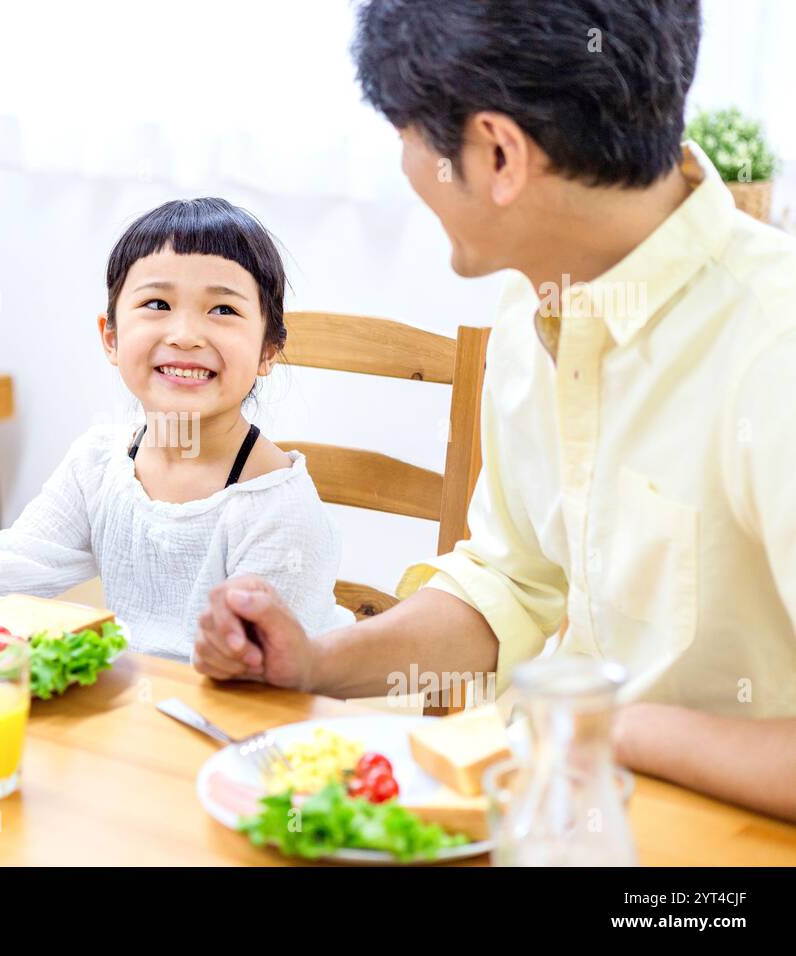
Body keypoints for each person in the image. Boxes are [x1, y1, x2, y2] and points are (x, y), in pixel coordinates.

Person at [192, 0, 796, 821]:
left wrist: (618, 729)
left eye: (405, 129)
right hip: (548, 817)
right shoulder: (535, 304)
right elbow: (510, 583)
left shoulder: (772, 347)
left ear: (500, 153)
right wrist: (315, 662)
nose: (404, 160)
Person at [0, 198, 351, 660]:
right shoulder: (100, 463)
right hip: (145, 712)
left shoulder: (276, 510)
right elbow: (26, 558)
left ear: (267, 351)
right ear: (110, 337)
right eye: (157, 304)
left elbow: (272, 679)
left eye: (223, 309)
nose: (185, 335)